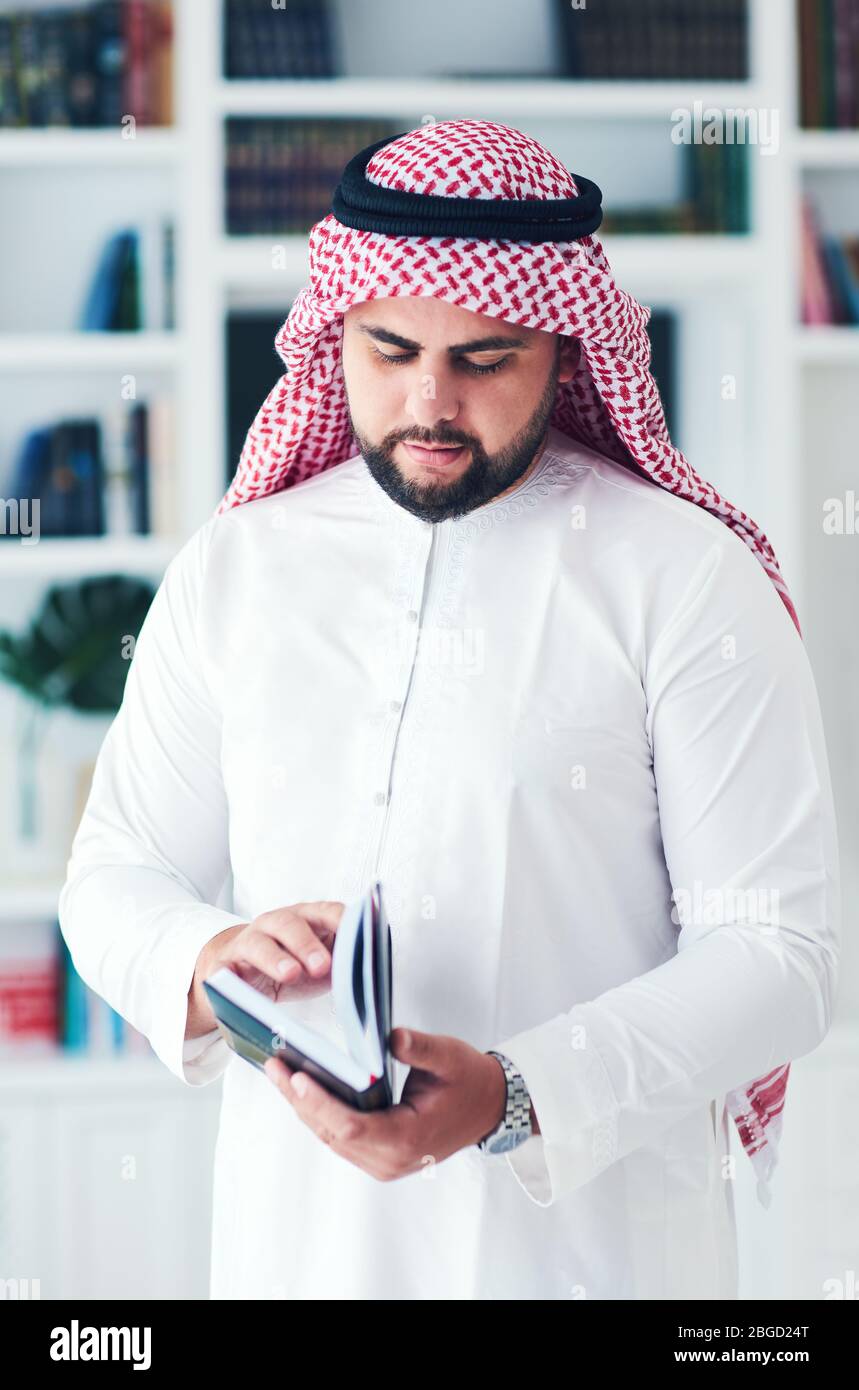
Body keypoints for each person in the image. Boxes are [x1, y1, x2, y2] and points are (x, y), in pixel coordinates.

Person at [58, 119, 840, 1300]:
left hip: (595, 1256)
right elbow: (113, 873)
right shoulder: (239, 567)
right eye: (387, 350)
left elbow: (782, 954)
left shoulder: (685, 577)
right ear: (333, 339)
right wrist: (204, 951)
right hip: (298, 1251)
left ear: (568, 352)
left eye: (482, 359)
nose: (430, 402)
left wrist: (518, 1092)